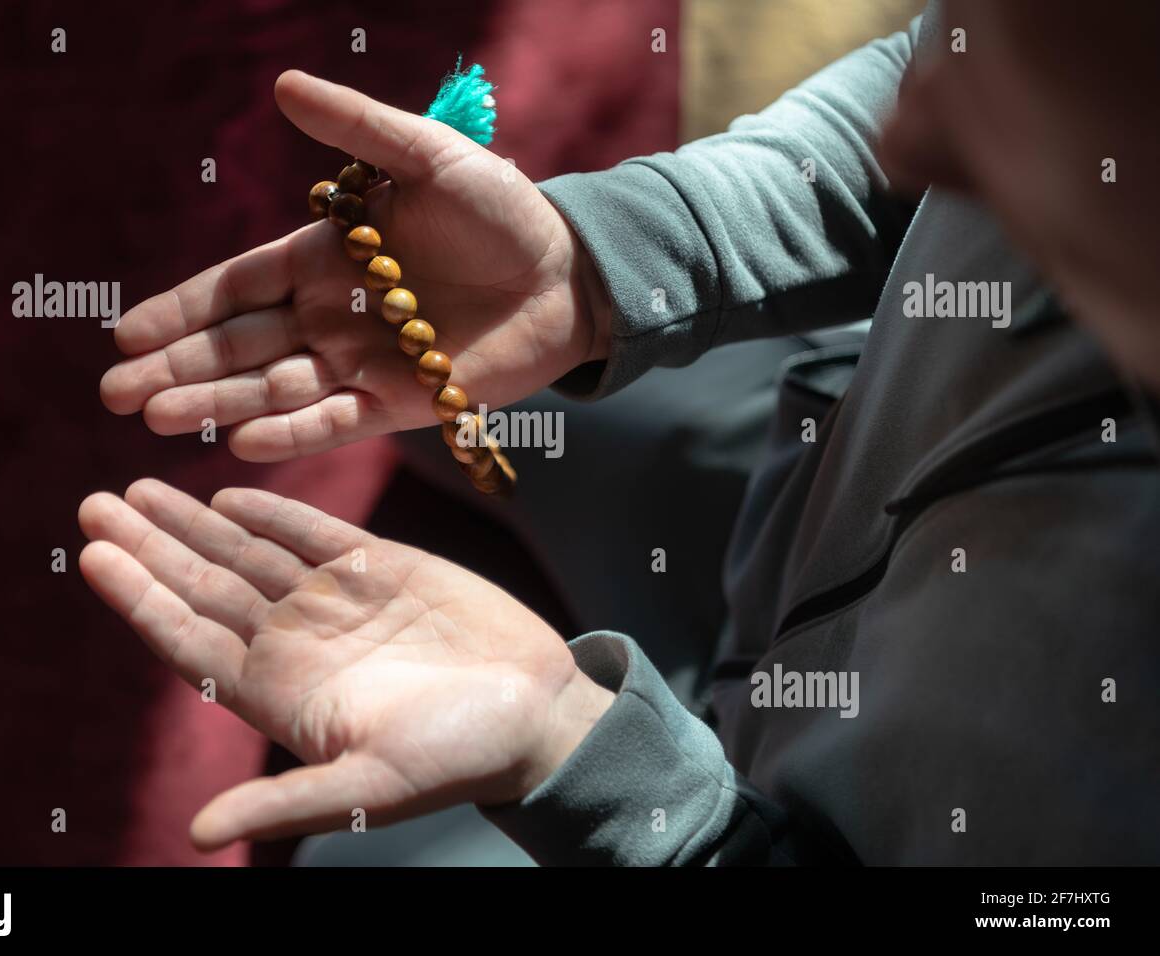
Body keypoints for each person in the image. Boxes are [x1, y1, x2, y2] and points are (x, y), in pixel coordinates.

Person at [80, 0, 1160, 865]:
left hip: (762, 794)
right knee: (421, 376)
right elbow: (940, 67)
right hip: (802, 452)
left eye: (1020, 132)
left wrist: (573, 754)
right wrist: (594, 268)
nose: (910, 134)